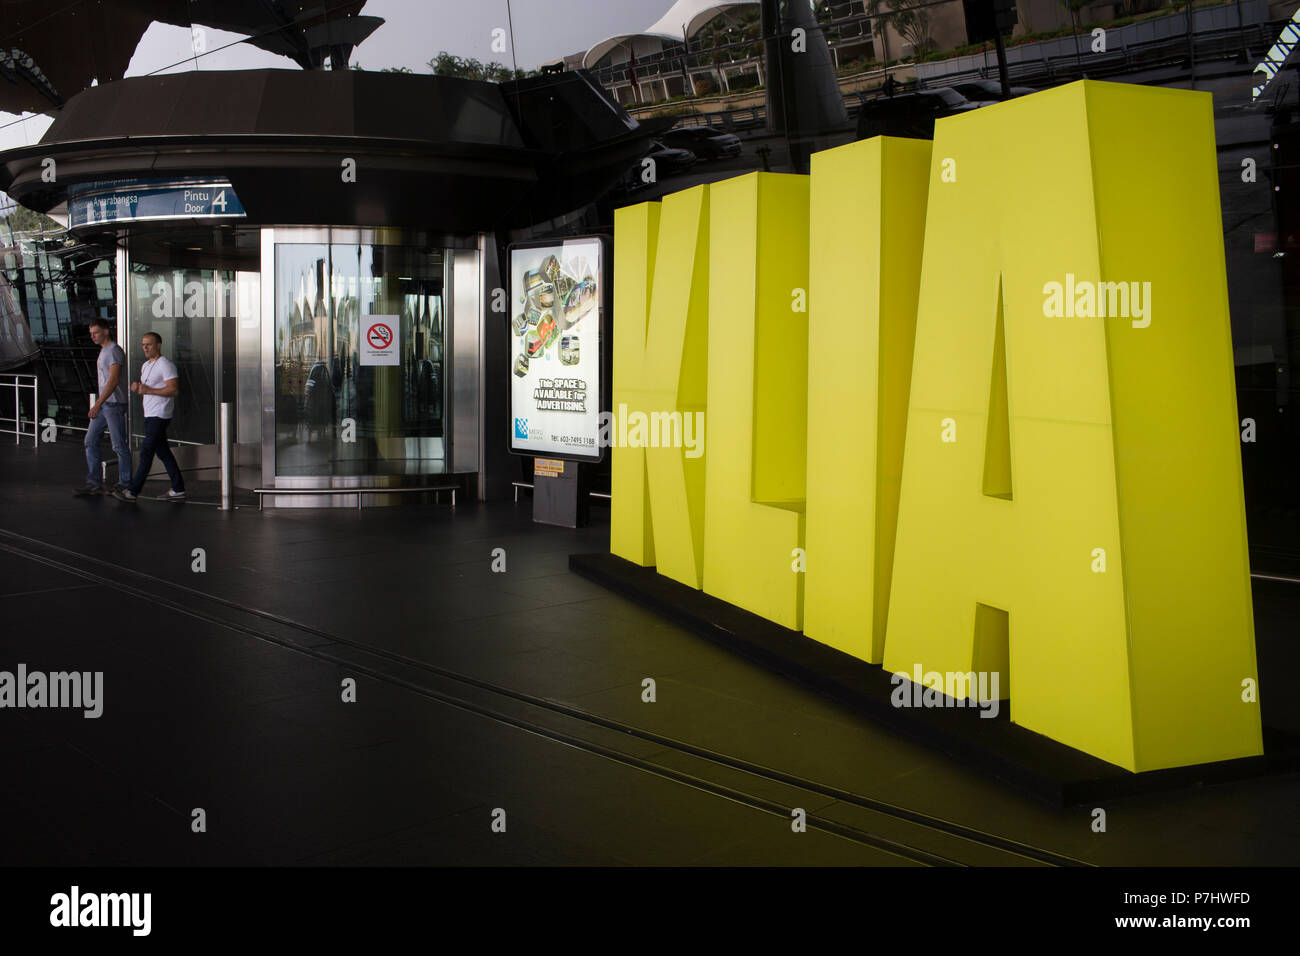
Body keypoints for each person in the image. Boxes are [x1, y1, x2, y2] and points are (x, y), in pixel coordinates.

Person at [114, 332, 185, 501]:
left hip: (160, 415)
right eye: (143, 344)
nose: (145, 347)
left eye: (149, 344)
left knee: (146, 451)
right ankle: (178, 488)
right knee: (163, 453)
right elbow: (148, 388)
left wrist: (148, 390)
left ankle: (132, 491)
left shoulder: (165, 365)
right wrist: (139, 388)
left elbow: (173, 390)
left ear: (158, 345)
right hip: (150, 414)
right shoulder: (145, 365)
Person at [75, 318, 131, 496]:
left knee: (118, 445)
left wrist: (97, 404)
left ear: (106, 331)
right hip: (105, 404)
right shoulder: (104, 351)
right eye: (91, 333)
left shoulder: (114, 351)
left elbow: (113, 381)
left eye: (96, 332)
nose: (93, 336)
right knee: (90, 441)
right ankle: (94, 482)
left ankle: (125, 483)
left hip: (113, 404)